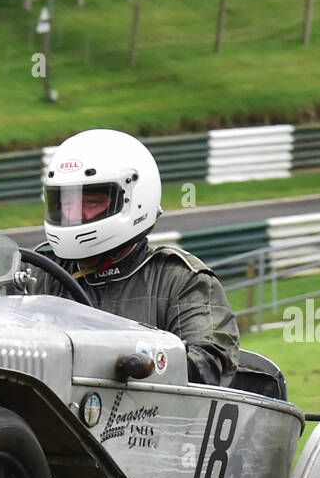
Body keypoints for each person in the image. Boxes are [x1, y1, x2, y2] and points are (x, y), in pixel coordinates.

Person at [35, 128, 240, 386]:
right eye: (67, 204)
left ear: (135, 199)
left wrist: (139, 361)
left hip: (151, 421)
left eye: (91, 203)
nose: (75, 215)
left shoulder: (179, 280)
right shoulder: (38, 274)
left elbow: (211, 366)